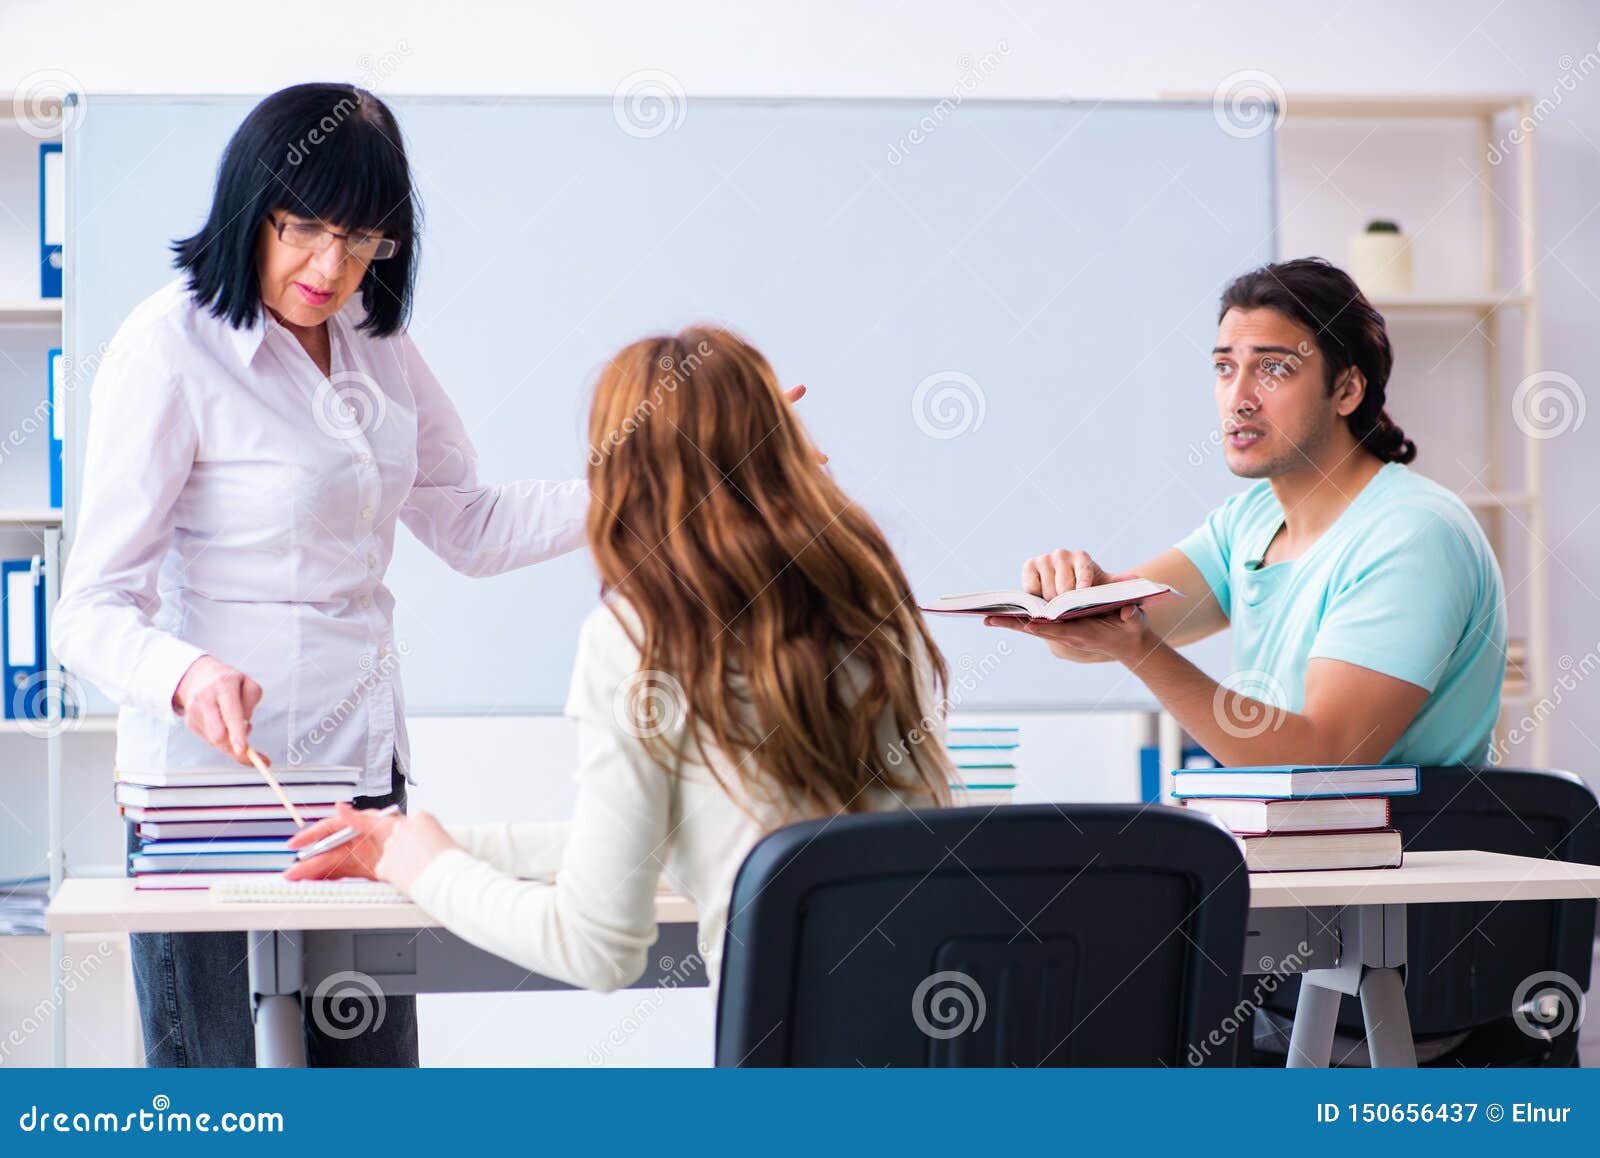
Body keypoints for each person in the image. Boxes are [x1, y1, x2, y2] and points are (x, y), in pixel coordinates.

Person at [286, 326, 955, 1002]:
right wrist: (419, 845)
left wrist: (431, 871)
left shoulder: (639, 638)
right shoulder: (870, 600)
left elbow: (596, 948)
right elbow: (653, 836)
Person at [989, 257, 1506, 772]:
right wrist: (1071, 599)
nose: (1238, 399)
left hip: (1416, 849)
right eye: (1224, 368)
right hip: (1296, 847)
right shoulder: (1250, 521)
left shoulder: (1412, 533)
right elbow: (1098, 640)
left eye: (1273, 368)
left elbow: (1324, 759)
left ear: (1346, 390)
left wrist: (1139, 649)